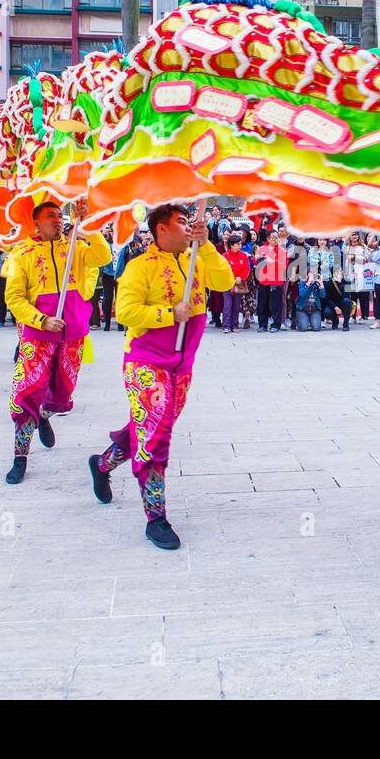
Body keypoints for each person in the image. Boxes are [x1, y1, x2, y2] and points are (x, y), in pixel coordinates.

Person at [90, 204, 234, 549]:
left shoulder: (197, 259)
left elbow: (225, 281)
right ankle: (156, 518)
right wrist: (169, 313)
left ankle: (103, 464)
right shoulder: (140, 267)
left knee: (152, 426)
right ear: (161, 230)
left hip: (182, 364)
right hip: (145, 361)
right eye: (182, 223)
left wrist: (209, 245)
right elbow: (124, 311)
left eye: (190, 222)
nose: (188, 228)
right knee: (154, 433)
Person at [3, 201, 112, 485]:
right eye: (50, 216)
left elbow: (102, 256)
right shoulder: (22, 253)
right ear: (36, 222)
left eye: (59, 215)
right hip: (38, 334)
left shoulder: (74, 245)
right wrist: (41, 320)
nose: (57, 220)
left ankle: (45, 413)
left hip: (72, 331)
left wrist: (87, 224)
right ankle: (20, 455)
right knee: (27, 392)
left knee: (63, 395)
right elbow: (14, 298)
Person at [254, 229, 287, 333]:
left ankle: (276, 324)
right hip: (264, 280)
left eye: (277, 237)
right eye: (273, 238)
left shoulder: (282, 251)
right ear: (268, 239)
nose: (275, 240)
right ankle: (262, 325)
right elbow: (256, 263)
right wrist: (258, 259)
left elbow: (283, 266)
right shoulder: (262, 249)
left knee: (276, 304)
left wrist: (272, 261)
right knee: (262, 304)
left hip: (276, 281)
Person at [221, 234, 251, 334]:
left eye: (240, 243)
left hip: (238, 284)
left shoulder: (243, 256)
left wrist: (241, 278)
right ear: (231, 245)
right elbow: (222, 270)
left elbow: (247, 269)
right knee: (227, 305)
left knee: (236, 305)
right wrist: (232, 278)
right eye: (238, 244)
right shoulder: (225, 256)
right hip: (227, 284)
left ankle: (234, 325)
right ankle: (226, 325)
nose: (240, 246)